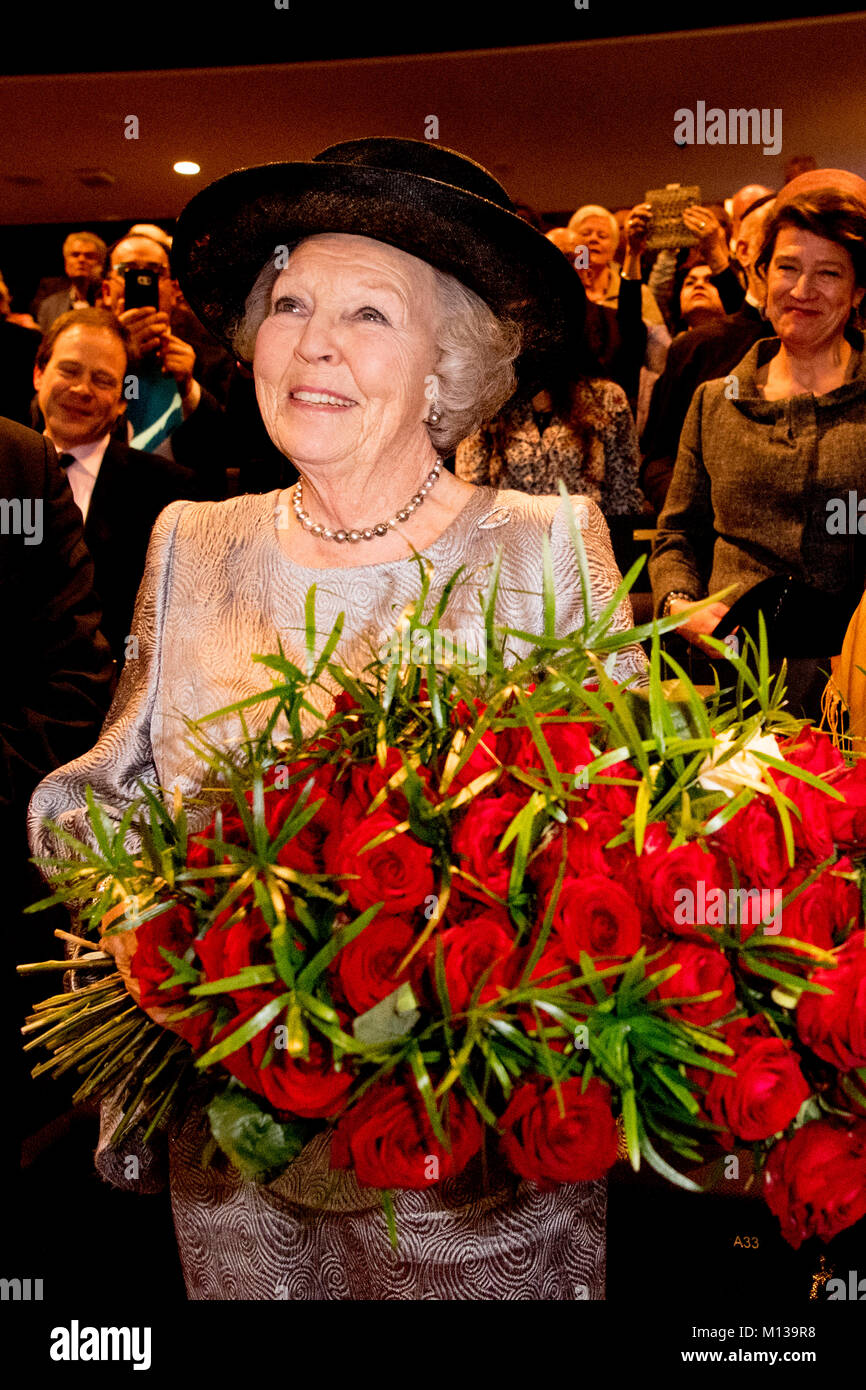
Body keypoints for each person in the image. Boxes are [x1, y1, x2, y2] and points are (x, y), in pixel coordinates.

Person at [28, 136, 647, 1303]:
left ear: (446, 365)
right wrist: (143, 923)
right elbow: (104, 798)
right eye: (289, 303)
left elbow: (629, 841)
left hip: (469, 1163)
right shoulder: (189, 545)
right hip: (239, 1151)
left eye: (367, 313)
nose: (311, 339)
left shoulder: (544, 546)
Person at [649, 189, 866, 714]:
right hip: (725, 680)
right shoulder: (714, 402)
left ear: (859, 292)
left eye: (829, 273)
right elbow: (676, 534)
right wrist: (681, 604)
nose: (803, 290)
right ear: (761, 276)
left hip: (852, 686)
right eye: (787, 267)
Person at [33, 308, 223, 668]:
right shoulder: (6, 467)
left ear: (123, 400)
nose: (81, 389)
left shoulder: (169, 494)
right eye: (69, 370)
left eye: (103, 380)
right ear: (39, 374)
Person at [100, 232, 228, 471]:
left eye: (154, 272)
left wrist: (189, 390)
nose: (141, 281)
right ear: (107, 291)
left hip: (193, 500)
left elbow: (231, 445)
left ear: (175, 289)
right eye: (128, 271)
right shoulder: (86, 356)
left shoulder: (213, 356)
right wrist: (116, 359)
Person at [32, 231, 107, 332]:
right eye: (75, 255)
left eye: (89, 256)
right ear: (66, 261)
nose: (81, 260)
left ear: (101, 263)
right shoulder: (50, 306)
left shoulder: (110, 302)